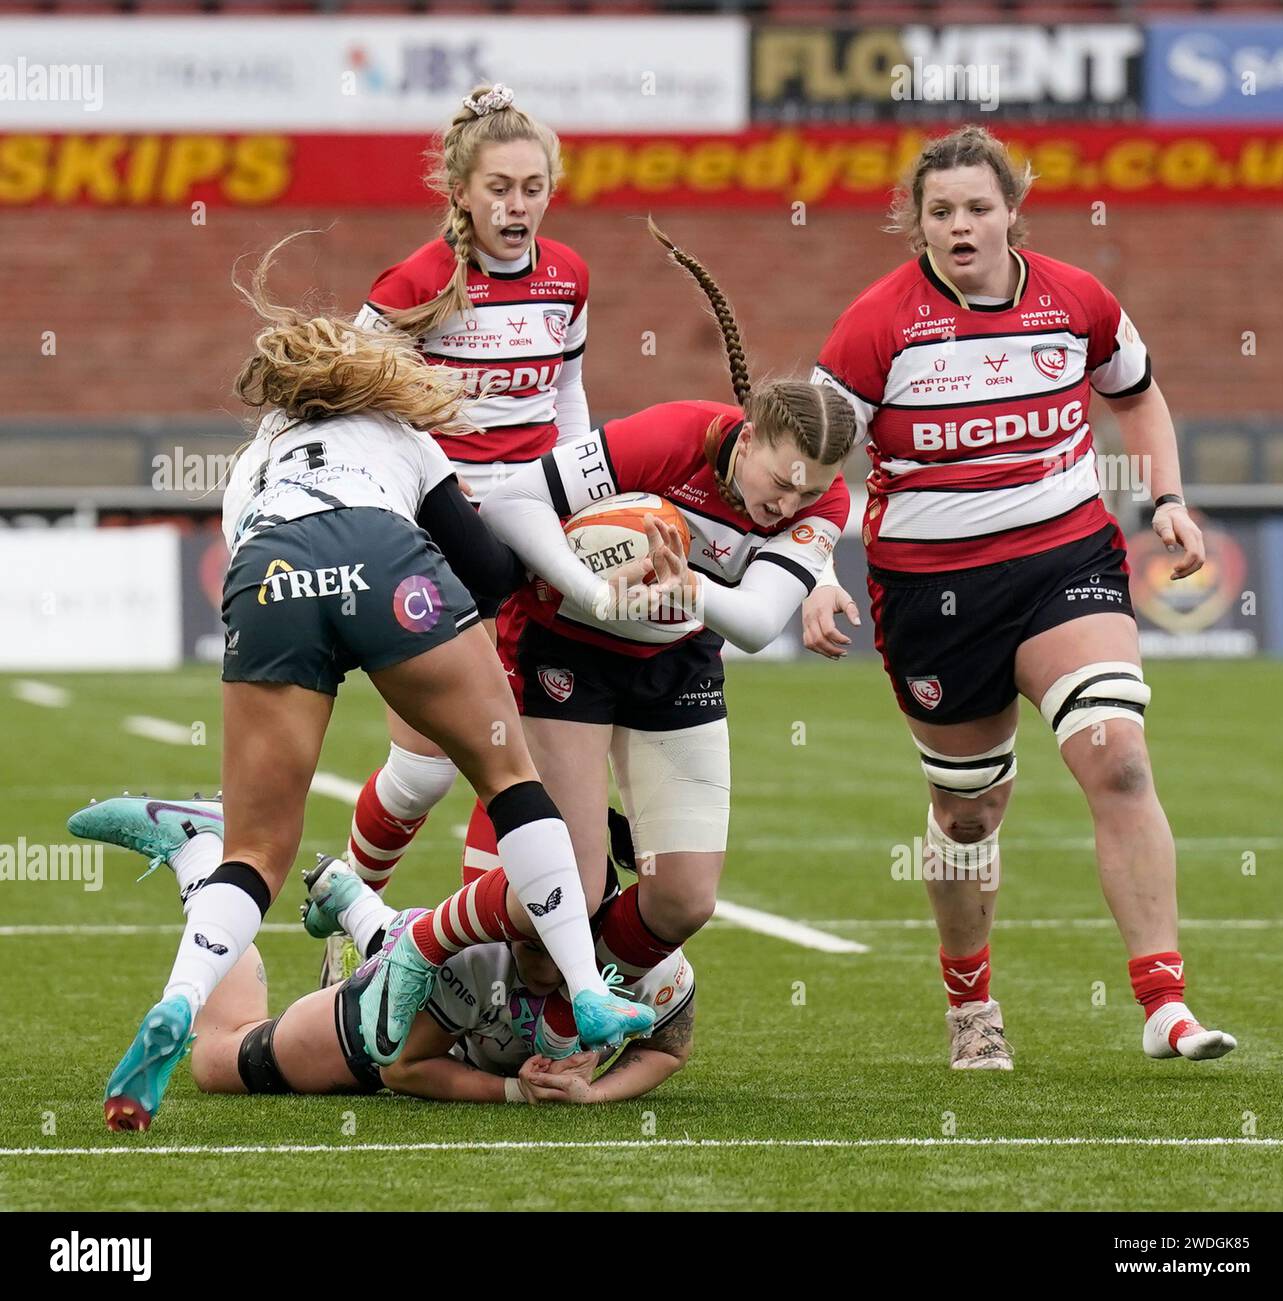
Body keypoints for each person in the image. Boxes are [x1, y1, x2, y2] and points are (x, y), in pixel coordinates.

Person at [87, 237, 650, 1132]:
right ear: (368, 375)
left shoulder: (250, 465)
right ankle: (585, 989)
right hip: (386, 563)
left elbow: (254, 573)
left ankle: (179, 996)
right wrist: (560, 556)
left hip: (271, 575)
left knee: (259, 849)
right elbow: (487, 574)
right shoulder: (403, 433)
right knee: (509, 778)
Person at [805, 125, 1235, 1069]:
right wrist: (806, 568)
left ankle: (1164, 1002)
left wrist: (1166, 497)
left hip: (1064, 561)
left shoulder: (1077, 300)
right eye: (941, 212)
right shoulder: (877, 325)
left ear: (1013, 211)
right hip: (931, 594)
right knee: (967, 814)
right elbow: (810, 457)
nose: (960, 226)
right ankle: (971, 1004)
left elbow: (1141, 396)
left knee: (1118, 757)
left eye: (978, 208)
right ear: (916, 222)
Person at [467, 219, 856, 1056]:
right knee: (558, 894)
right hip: (567, 647)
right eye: (779, 480)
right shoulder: (676, 434)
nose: (788, 505)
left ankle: (569, 1004)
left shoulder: (824, 505)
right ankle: (515, 998)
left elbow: (752, 621)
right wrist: (592, 586)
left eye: (810, 491)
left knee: (683, 902)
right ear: (748, 438)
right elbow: (511, 501)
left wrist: (689, 592)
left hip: (677, 664)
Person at [330, 83, 594, 976]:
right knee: (430, 770)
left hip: (536, 537)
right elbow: (344, 393)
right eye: (499, 188)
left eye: (532, 187)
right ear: (461, 192)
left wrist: (580, 499)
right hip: (439, 542)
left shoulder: (568, 276)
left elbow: (566, 397)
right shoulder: (413, 285)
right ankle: (355, 915)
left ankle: (494, 970)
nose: (517, 206)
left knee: (509, 752)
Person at [68, 803, 691, 1105]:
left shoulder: (649, 963)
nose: (538, 956)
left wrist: (595, 1095)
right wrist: (511, 1094)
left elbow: (667, 1048)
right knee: (218, 1060)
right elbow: (403, 1070)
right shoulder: (477, 957)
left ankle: (351, 900)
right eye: (528, 938)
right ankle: (201, 850)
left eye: (558, 944)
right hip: (417, 1002)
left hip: (463, 1006)